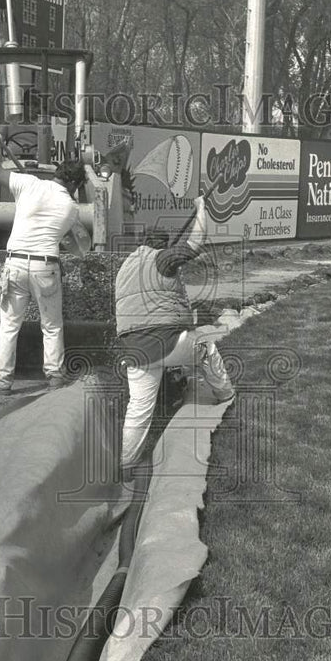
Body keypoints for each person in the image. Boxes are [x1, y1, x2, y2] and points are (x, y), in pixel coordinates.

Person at [115, 194, 235, 475]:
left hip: (134, 349)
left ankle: (127, 464)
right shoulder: (162, 258)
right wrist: (201, 208)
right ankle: (226, 394)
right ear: (161, 246)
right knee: (205, 345)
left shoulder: (125, 268)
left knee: (139, 408)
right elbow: (195, 241)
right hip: (166, 344)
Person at [0, 124, 86, 394]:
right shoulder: (71, 208)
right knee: (51, 325)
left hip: (15, 264)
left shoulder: (27, 183)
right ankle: (54, 376)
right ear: (74, 184)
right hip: (45, 267)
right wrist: (82, 256)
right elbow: (71, 242)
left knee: (9, 325)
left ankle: (2, 381)